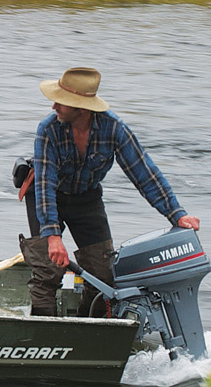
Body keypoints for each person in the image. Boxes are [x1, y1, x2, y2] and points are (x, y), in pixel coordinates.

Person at [19, 67, 200, 317]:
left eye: (60, 102)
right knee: (48, 270)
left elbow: (144, 174)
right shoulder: (48, 129)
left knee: (102, 276)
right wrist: (53, 235)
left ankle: (87, 328)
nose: (53, 107)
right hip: (48, 197)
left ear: (81, 108)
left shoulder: (114, 129)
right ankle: (42, 334)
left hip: (86, 198)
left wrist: (176, 214)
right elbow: (44, 184)